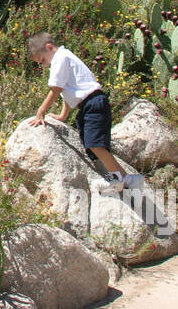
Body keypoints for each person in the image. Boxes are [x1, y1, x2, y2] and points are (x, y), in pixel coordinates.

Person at [26, 31, 144, 194]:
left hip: (93, 103)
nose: (44, 65)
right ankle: (128, 179)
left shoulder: (60, 58)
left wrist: (41, 111)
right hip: (90, 104)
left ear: (49, 47)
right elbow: (67, 91)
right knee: (91, 144)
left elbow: (56, 89)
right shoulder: (64, 57)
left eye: (42, 60)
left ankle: (118, 180)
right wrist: (63, 116)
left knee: (95, 144)